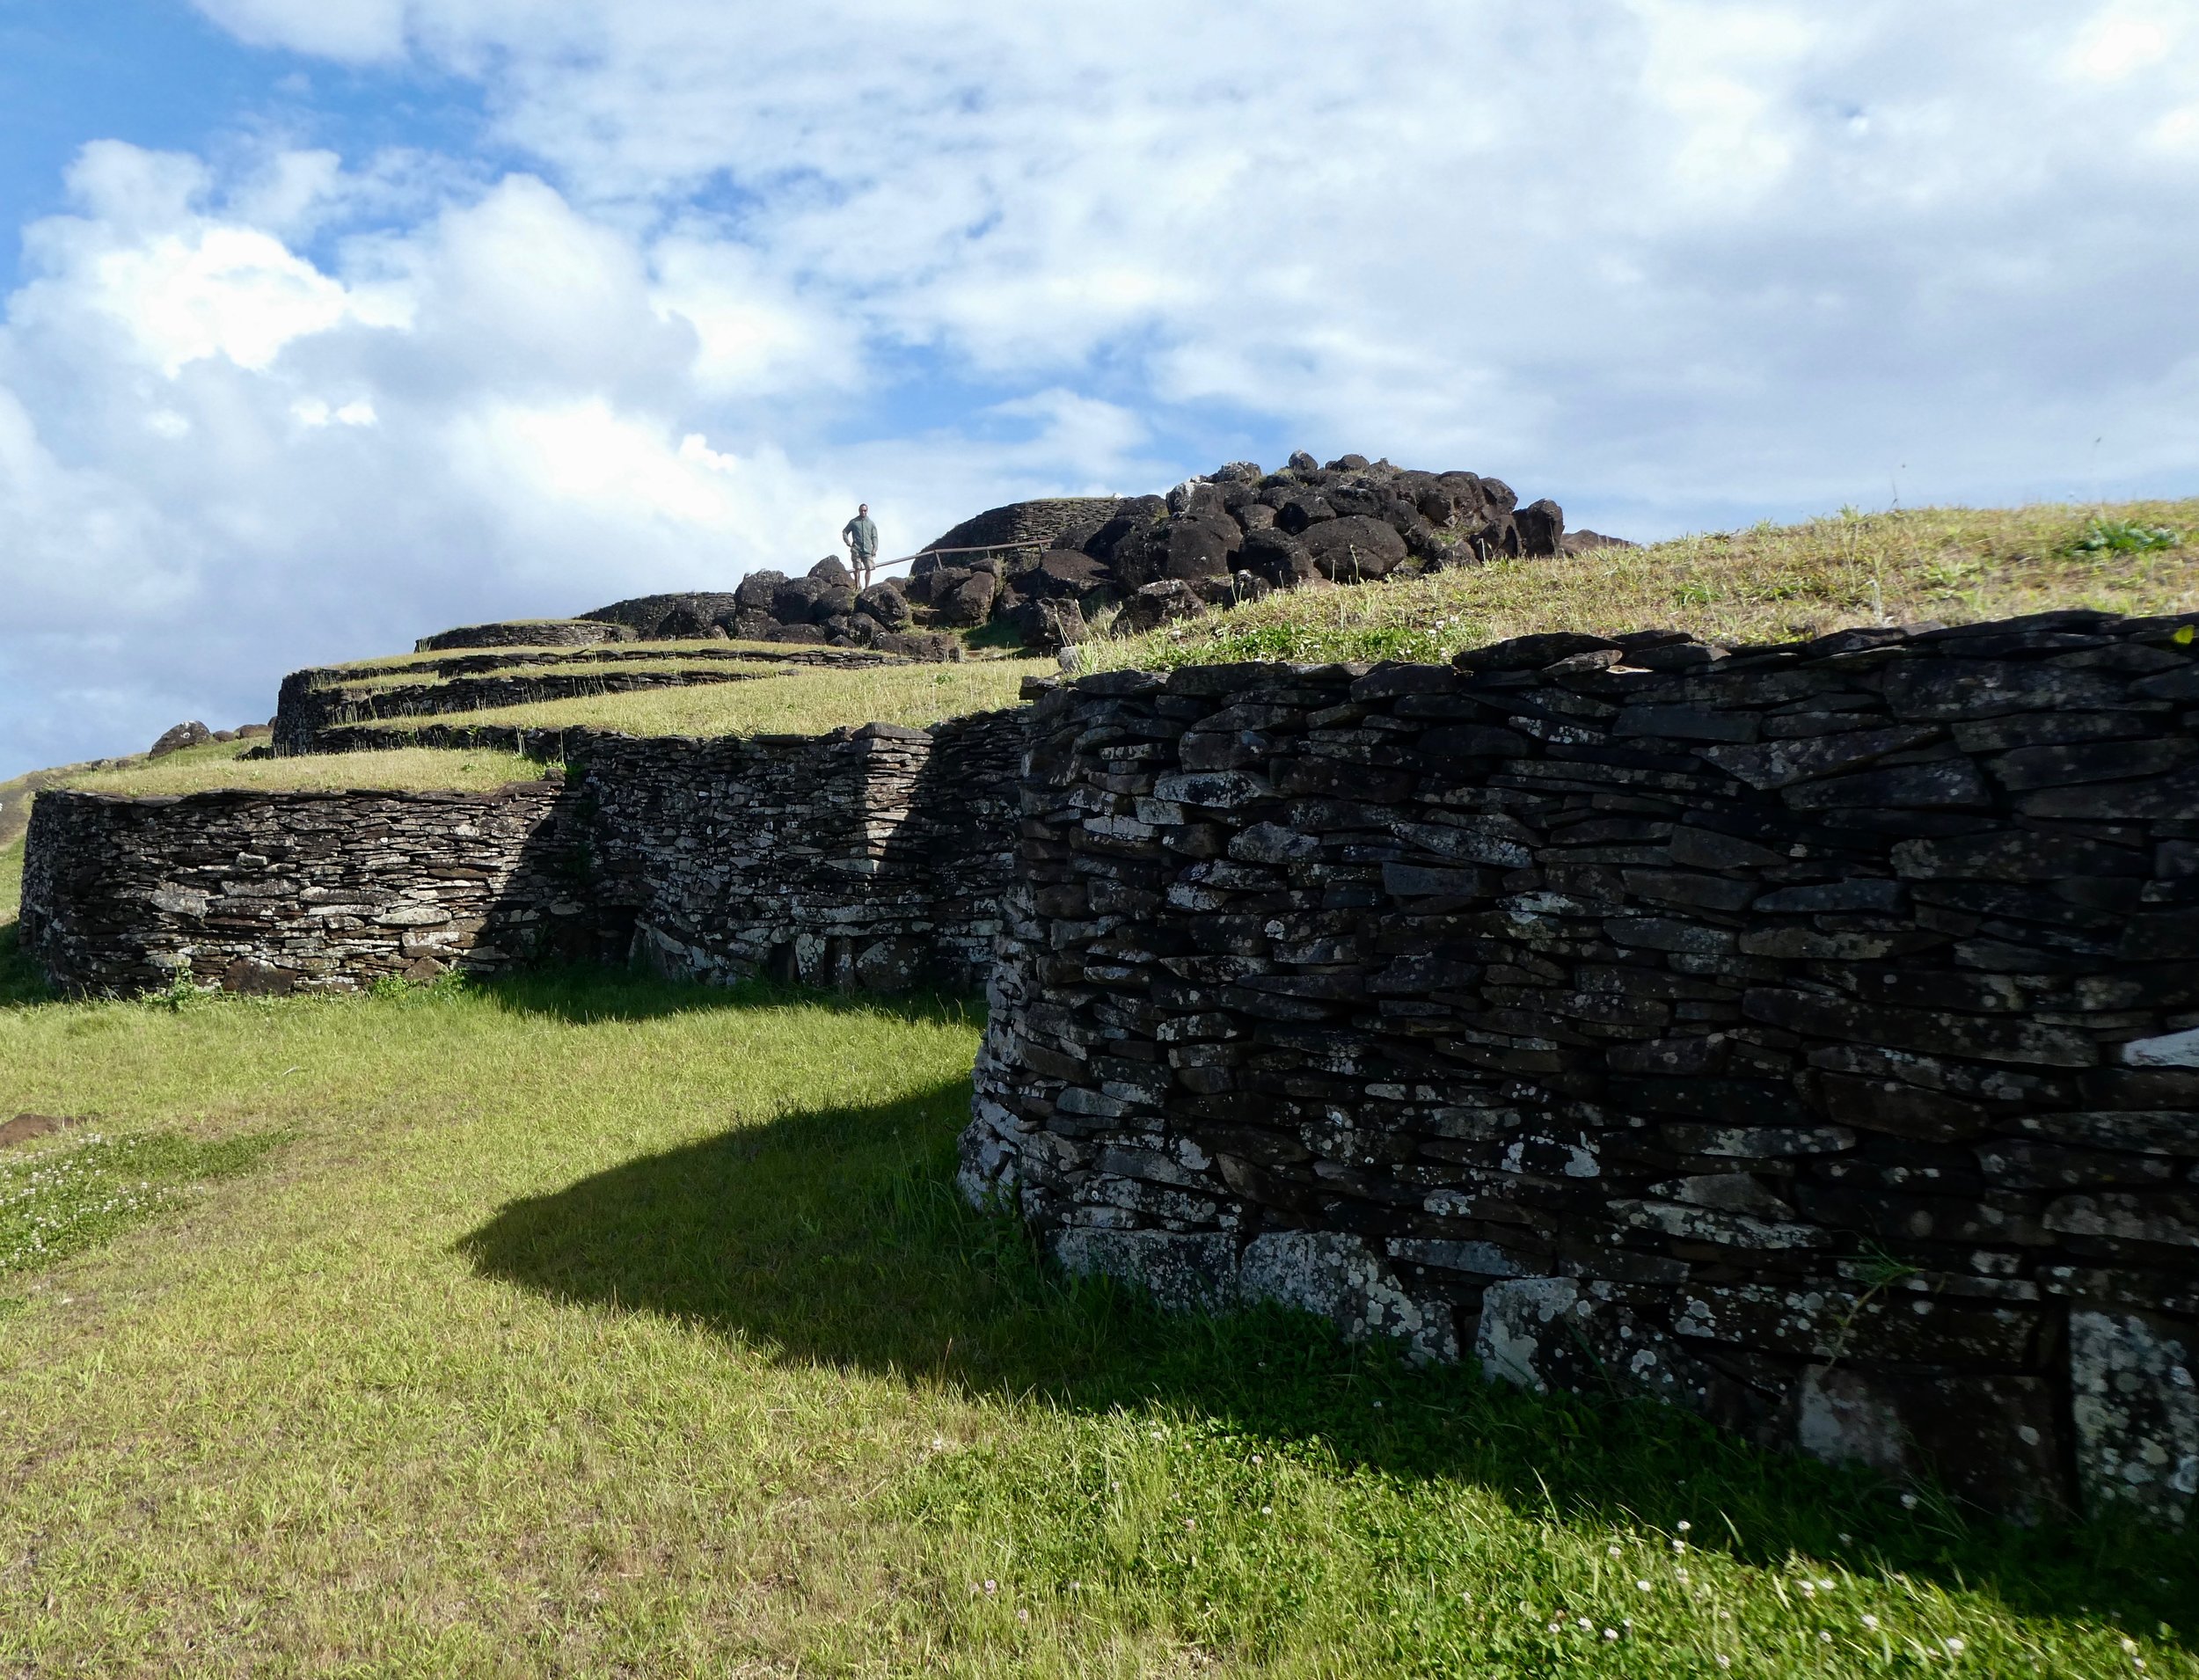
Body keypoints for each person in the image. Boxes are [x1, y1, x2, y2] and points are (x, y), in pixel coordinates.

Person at [841, 503, 880, 589]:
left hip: (868, 550)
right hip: (856, 549)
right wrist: (847, 542)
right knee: (857, 569)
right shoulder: (854, 522)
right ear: (859, 511)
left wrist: (875, 548)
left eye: (865, 510)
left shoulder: (871, 523)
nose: (863, 512)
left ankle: (866, 588)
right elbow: (845, 532)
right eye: (862, 510)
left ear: (867, 511)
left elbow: (874, 537)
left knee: (869, 568)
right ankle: (857, 587)